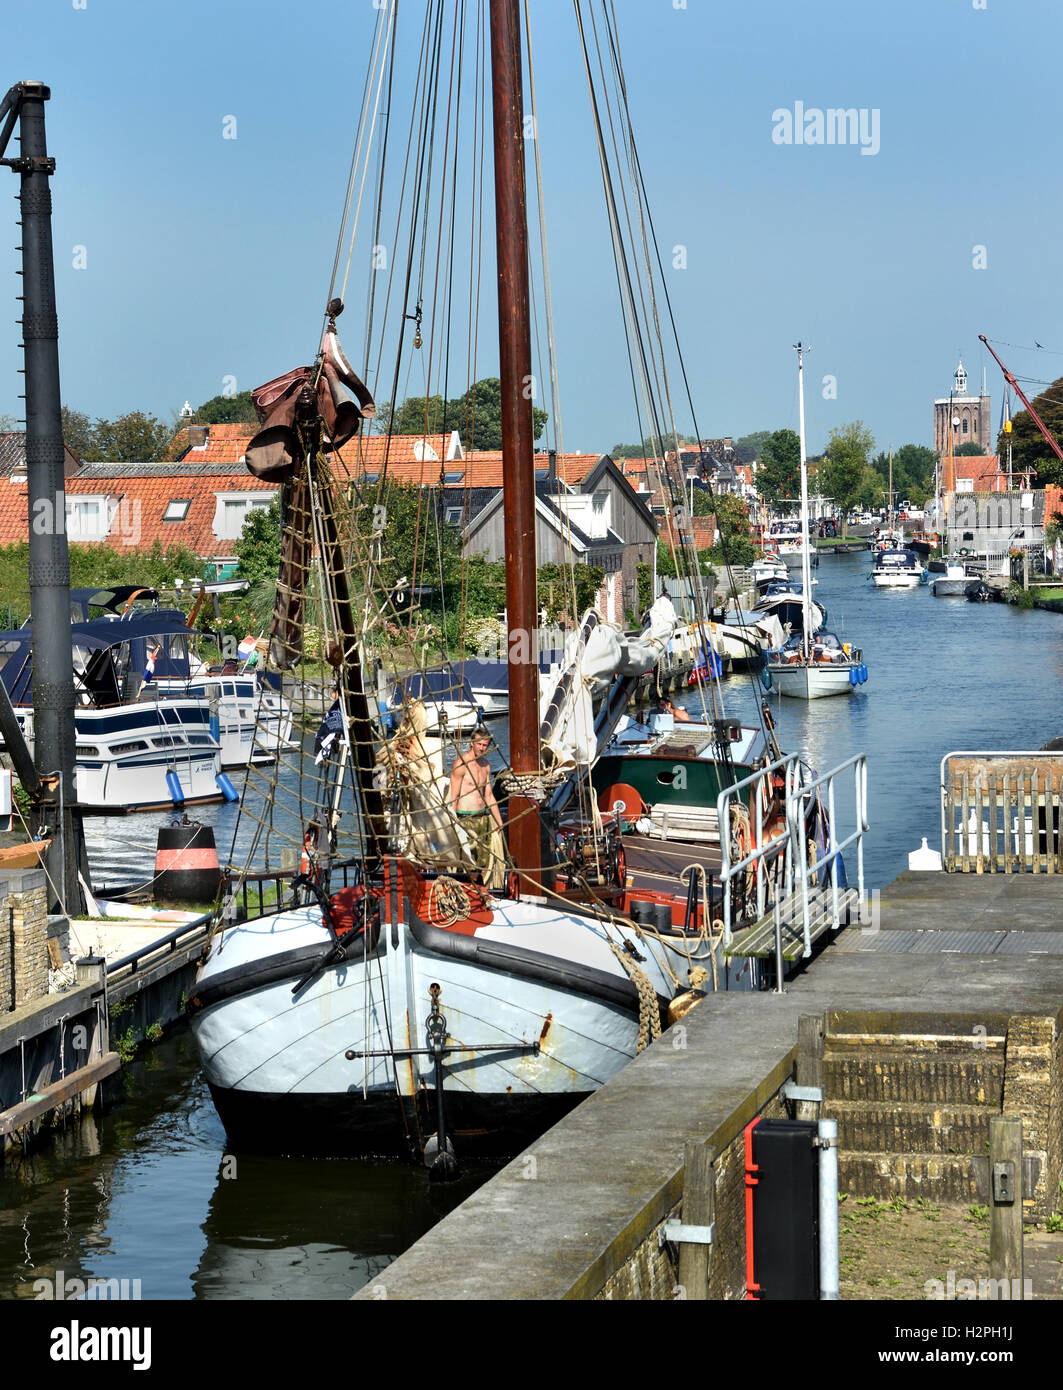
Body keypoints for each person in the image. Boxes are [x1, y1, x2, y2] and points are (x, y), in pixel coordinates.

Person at [449, 726, 504, 877]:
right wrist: (453, 824)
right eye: (479, 744)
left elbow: (489, 796)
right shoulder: (461, 764)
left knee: (484, 864)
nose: (481, 747)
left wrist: (499, 821)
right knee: (467, 865)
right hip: (465, 820)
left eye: (484, 745)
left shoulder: (485, 765)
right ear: (472, 743)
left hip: (482, 820)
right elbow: (454, 797)